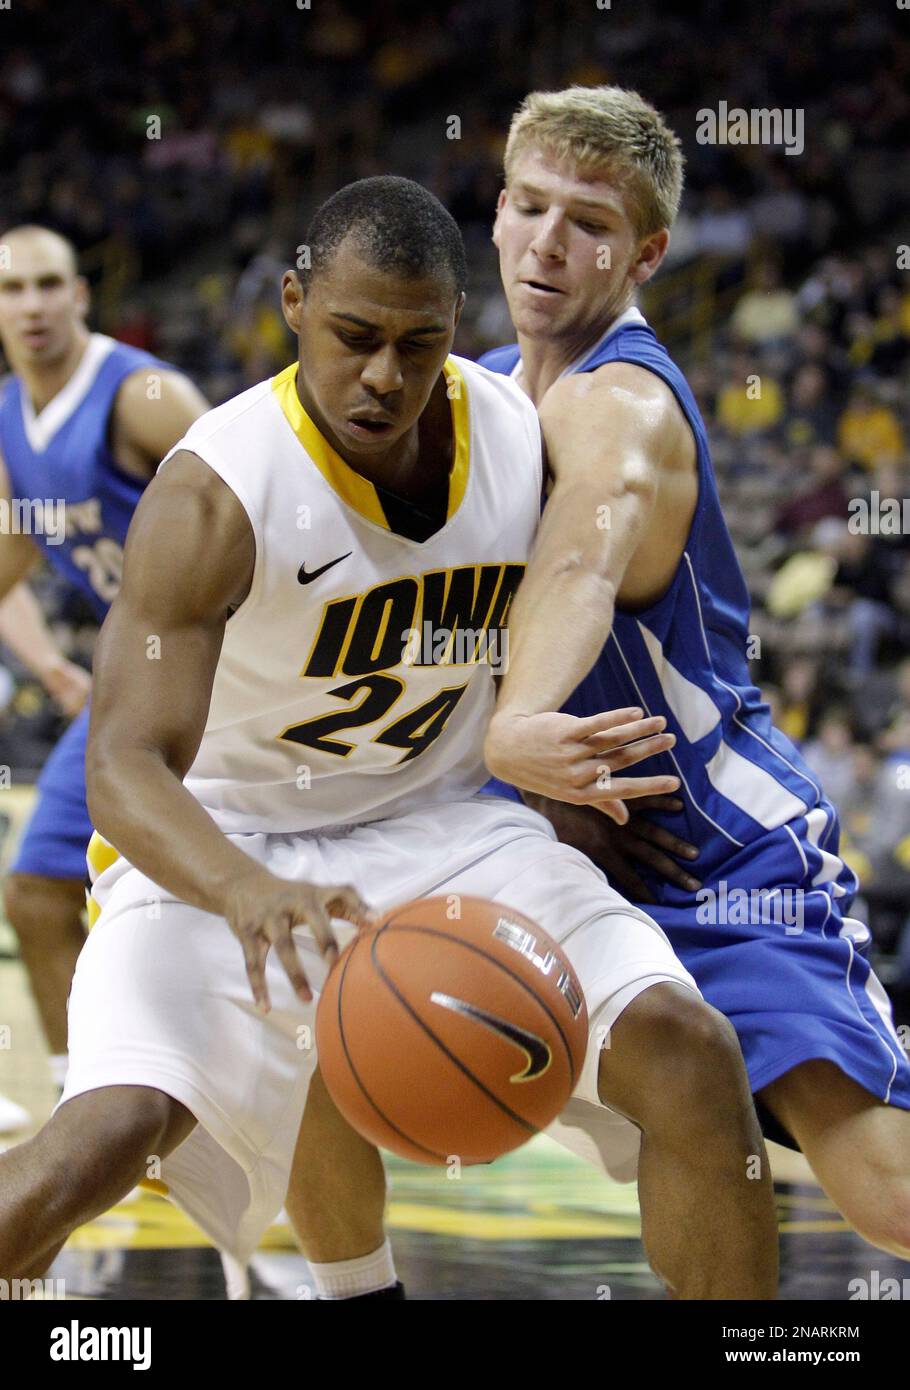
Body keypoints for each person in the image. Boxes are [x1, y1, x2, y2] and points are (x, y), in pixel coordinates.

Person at [0, 178, 777, 1300]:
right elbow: (123, 765)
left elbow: (581, 596)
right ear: (294, 304)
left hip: (444, 822)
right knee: (105, 1138)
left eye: (420, 344)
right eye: (356, 337)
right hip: (233, 837)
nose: (386, 375)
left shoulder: (513, 431)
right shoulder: (216, 490)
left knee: (688, 1050)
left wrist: (571, 792)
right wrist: (245, 891)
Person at [476, 85, 910, 1262]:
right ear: (497, 205)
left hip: (717, 841)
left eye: (590, 221)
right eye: (528, 206)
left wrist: (514, 731)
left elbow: (580, 559)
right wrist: (525, 786)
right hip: (560, 828)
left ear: (647, 252)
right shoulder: (469, 393)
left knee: (878, 1186)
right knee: (329, 1009)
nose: (549, 243)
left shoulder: (624, 402)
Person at [0, 225, 209, 1129]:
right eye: (12, 290)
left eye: (49, 284)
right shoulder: (11, 419)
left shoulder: (143, 397)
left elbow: (268, 500)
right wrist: (50, 663)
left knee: (212, 902)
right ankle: (77, 1101)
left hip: (227, 667)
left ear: (82, 295)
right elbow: (10, 559)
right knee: (39, 890)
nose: (32, 305)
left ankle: (256, 1122)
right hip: (133, 679)